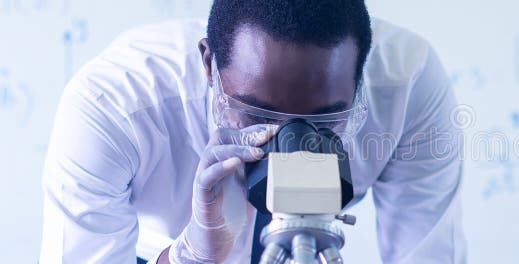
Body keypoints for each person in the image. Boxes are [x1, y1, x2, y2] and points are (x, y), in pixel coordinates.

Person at [39, 0, 465, 263]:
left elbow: (427, 254)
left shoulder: (408, 85)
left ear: (359, 80)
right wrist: (193, 255)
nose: (288, 150)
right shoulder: (115, 105)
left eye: (323, 121)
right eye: (258, 111)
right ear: (208, 66)